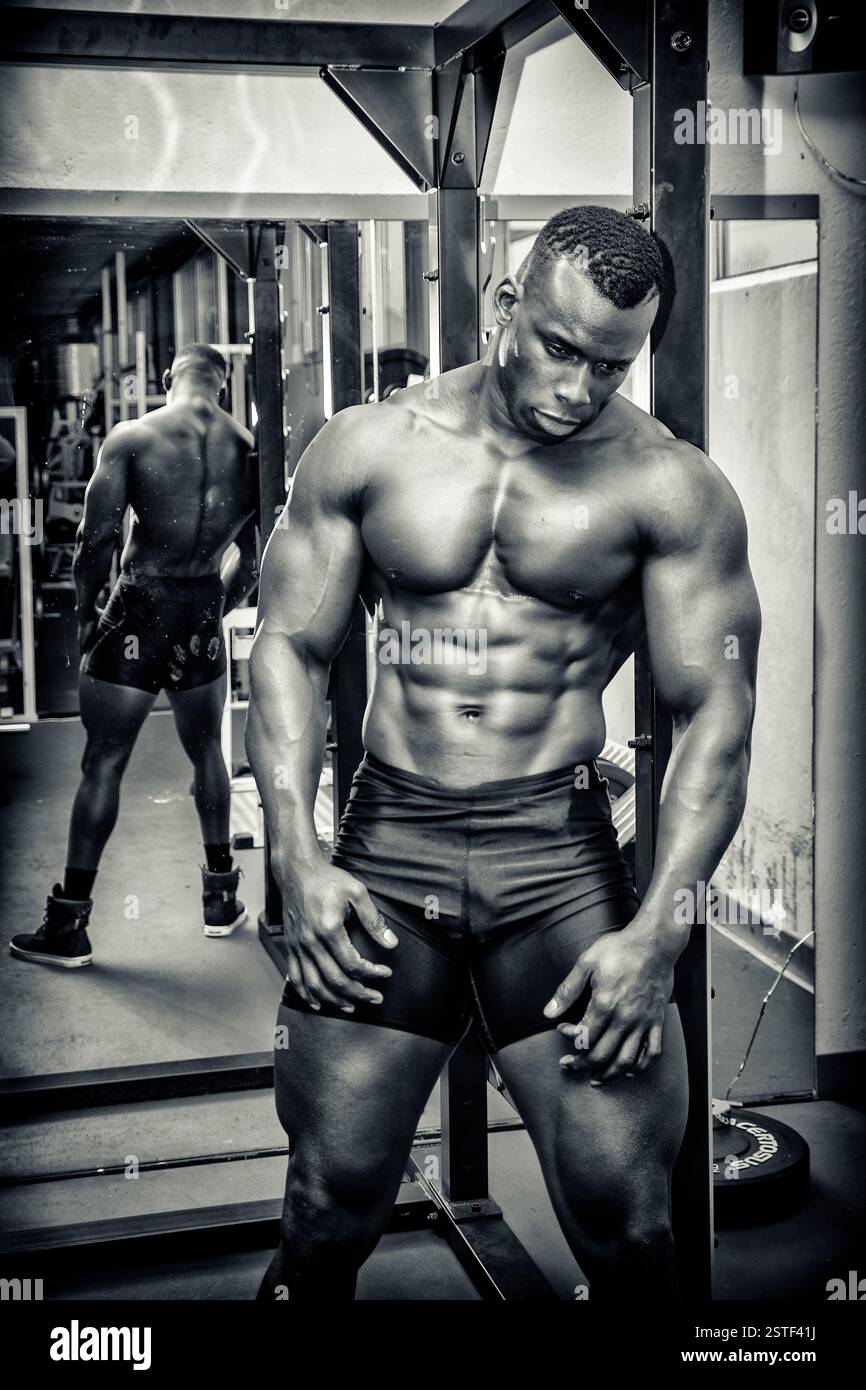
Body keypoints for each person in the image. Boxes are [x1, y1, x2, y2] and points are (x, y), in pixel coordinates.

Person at [246, 205, 761, 1302]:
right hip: (392, 840)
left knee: (631, 1228)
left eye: (610, 366)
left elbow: (712, 712)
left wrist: (657, 935)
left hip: (556, 860)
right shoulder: (368, 445)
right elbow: (289, 646)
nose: (577, 389)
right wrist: (294, 853)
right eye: (558, 348)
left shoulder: (667, 486)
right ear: (502, 304)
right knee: (326, 1205)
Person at [10, 344, 259, 968]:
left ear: (169, 378)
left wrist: (86, 615)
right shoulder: (251, 448)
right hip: (199, 602)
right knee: (208, 754)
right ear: (222, 384)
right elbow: (252, 562)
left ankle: (69, 927)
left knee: (104, 762)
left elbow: (94, 541)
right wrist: (212, 612)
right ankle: (220, 901)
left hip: (140, 604)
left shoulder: (134, 434)